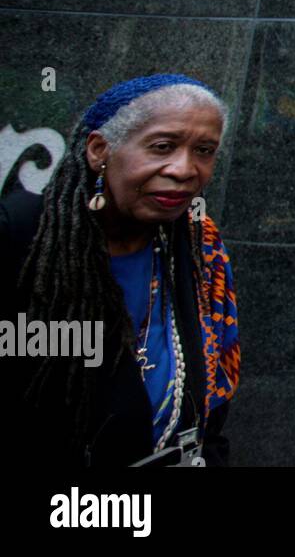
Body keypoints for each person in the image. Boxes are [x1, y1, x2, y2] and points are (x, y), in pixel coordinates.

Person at [1, 74, 240, 467]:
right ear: (99, 150)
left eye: (204, 150)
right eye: (162, 147)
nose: (184, 169)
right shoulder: (22, 236)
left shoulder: (199, 248)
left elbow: (211, 405)